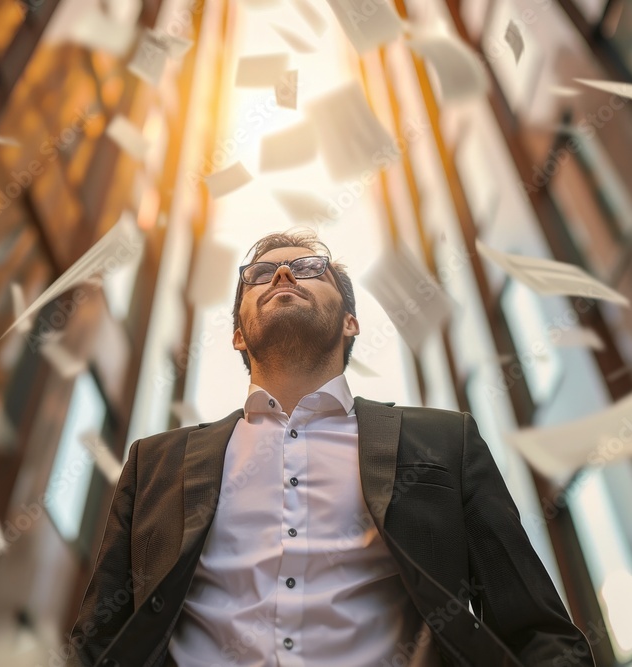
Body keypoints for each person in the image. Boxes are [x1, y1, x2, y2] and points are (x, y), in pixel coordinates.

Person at [68, 230, 595, 667]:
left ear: (350, 321)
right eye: (258, 275)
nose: (281, 275)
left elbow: (539, 632)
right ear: (236, 335)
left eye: (309, 267)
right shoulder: (156, 463)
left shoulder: (443, 441)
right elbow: (97, 642)